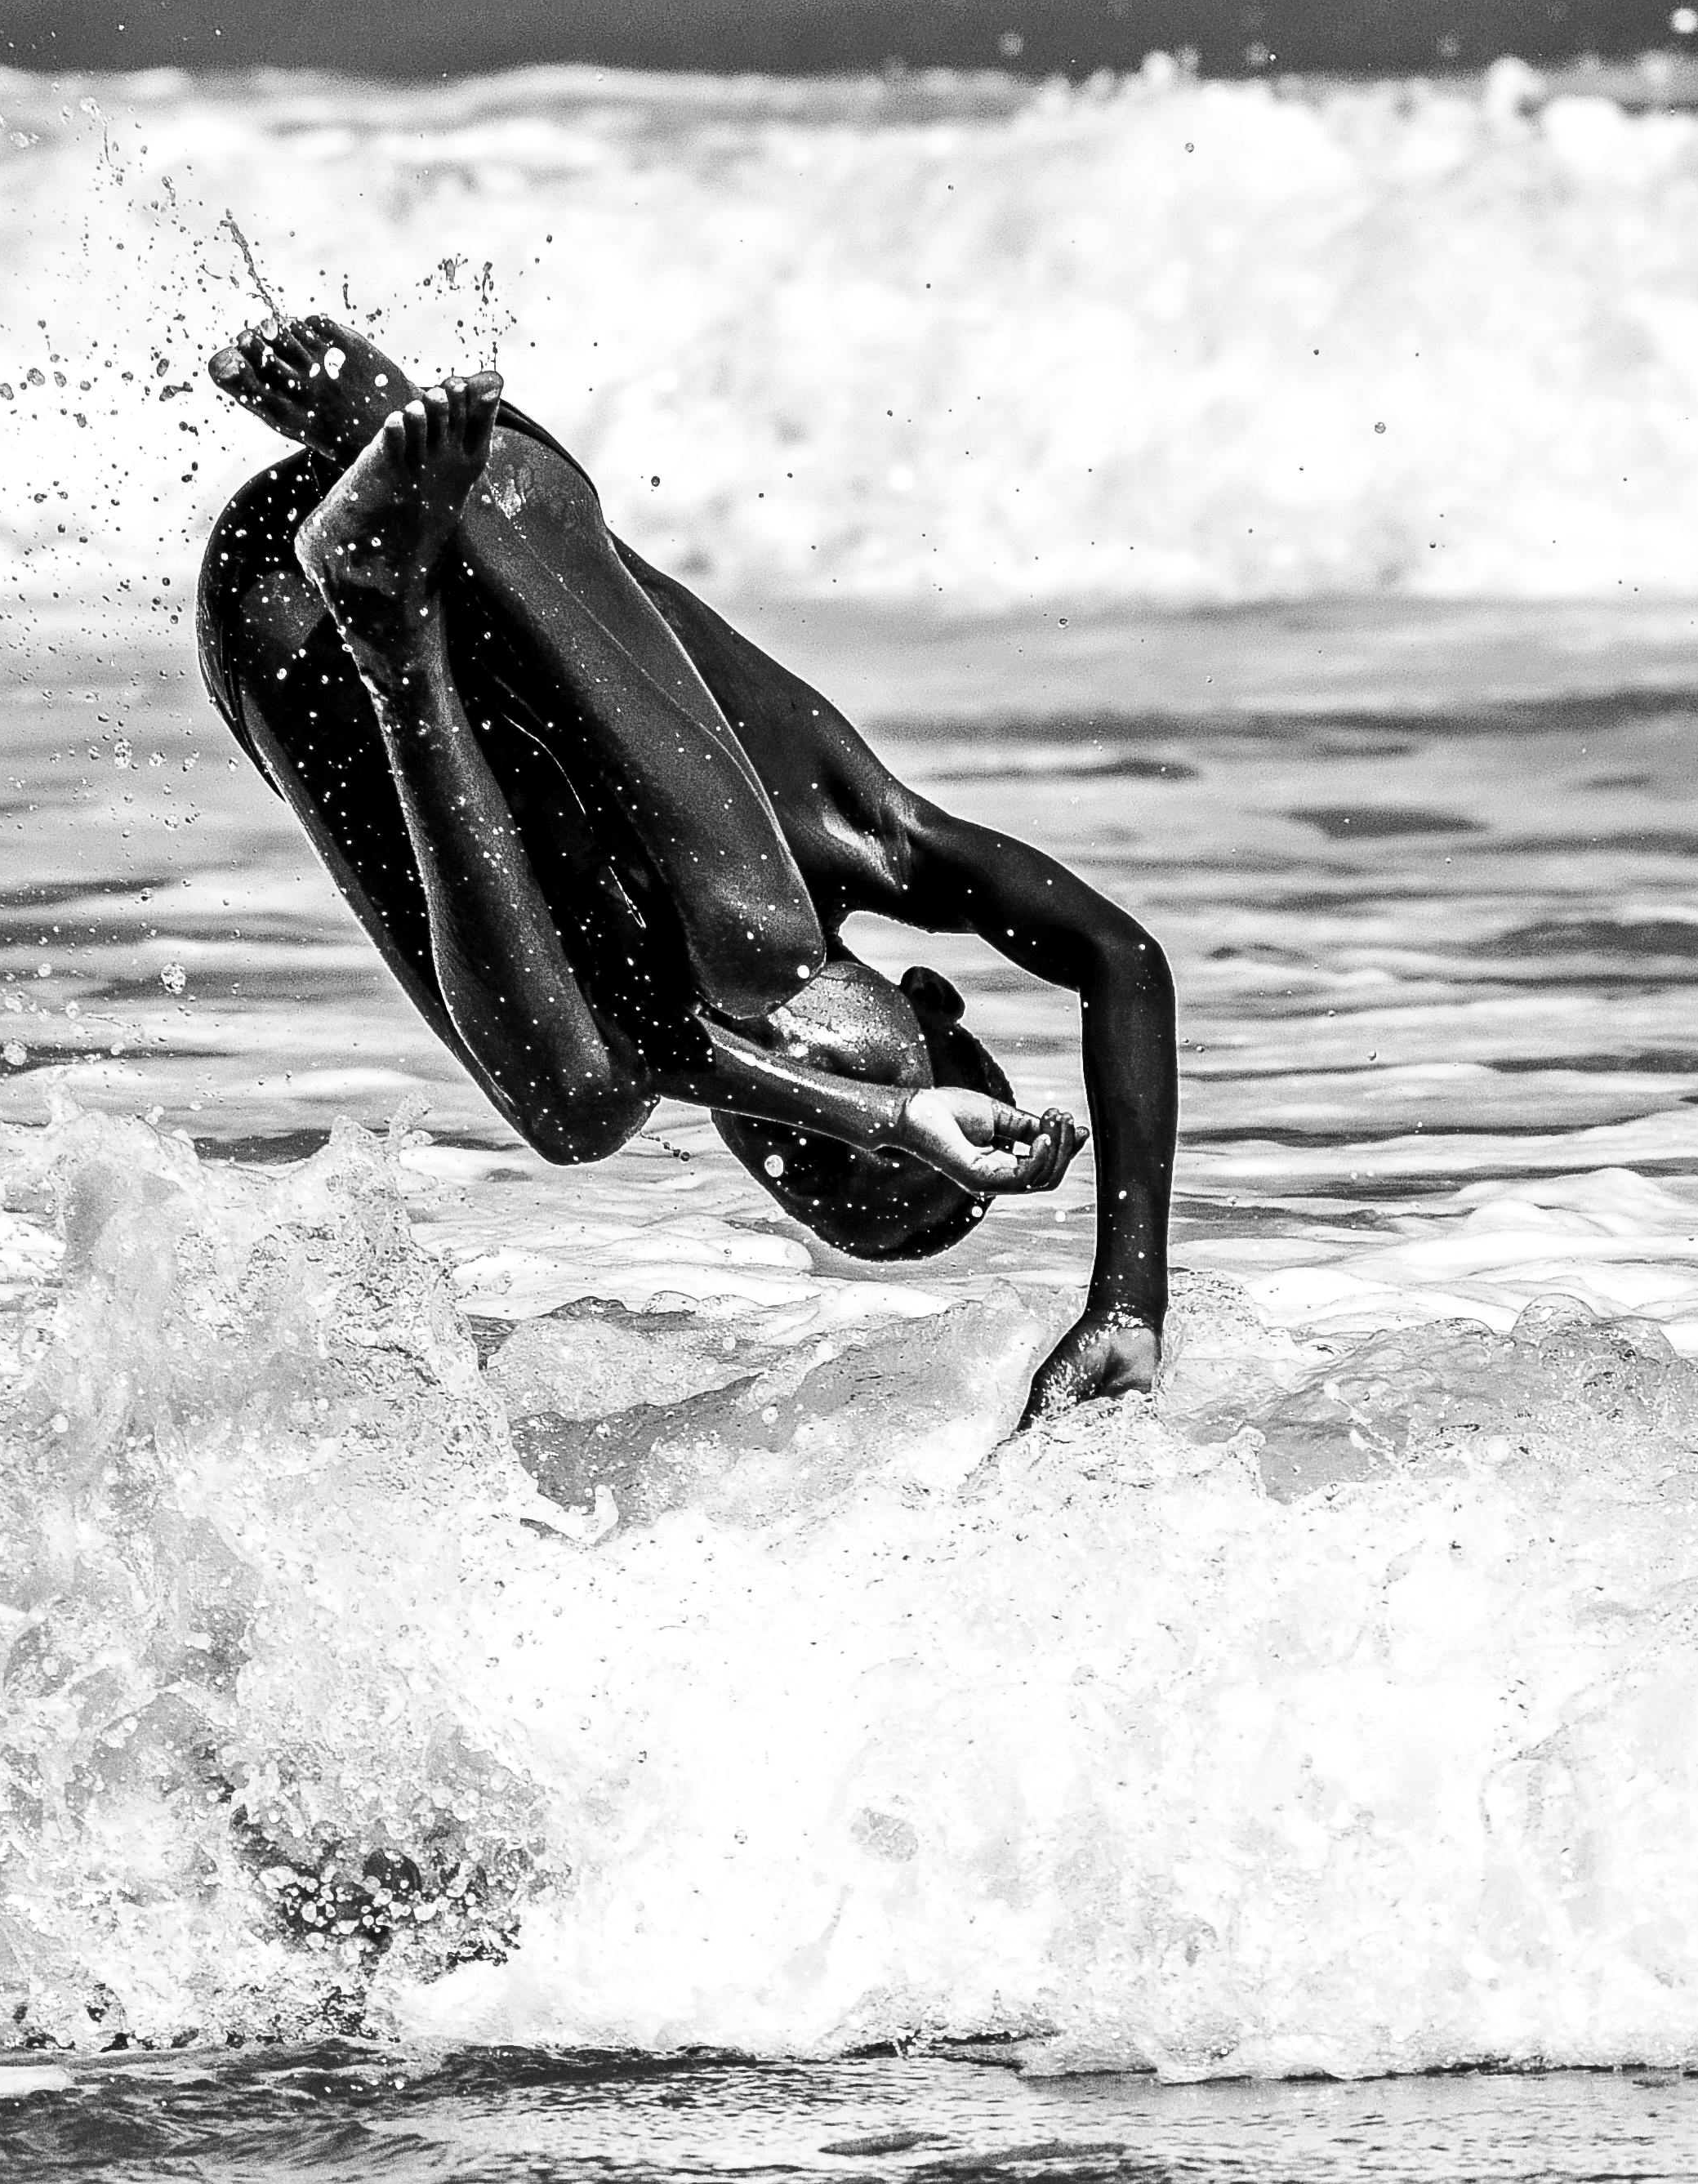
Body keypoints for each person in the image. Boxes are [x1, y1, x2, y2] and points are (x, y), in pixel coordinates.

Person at [195, 321, 1176, 1424]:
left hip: (289, 623)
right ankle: (409, 487)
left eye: (811, 1171)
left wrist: (884, 1119)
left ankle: (396, 627)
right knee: (761, 960)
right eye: (872, 1112)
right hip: (490, 484)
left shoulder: (642, 1031)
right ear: (928, 996)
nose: (820, 1137)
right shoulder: (863, 837)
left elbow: (648, 1059)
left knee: (578, 1112)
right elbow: (1121, 956)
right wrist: (1129, 1298)